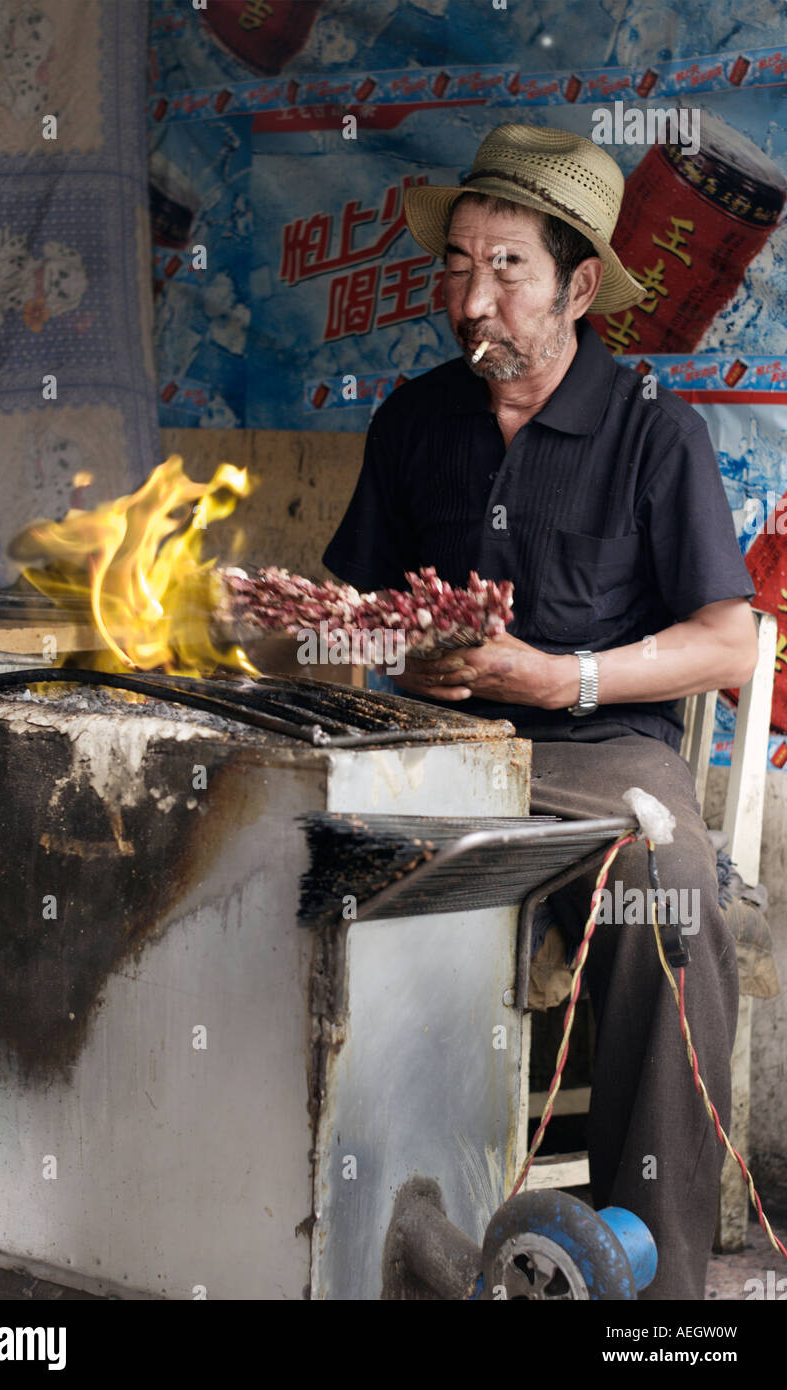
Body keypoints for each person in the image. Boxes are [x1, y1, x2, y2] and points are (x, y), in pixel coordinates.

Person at [322, 123, 759, 1301]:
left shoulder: (652, 432)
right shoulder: (413, 422)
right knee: (296, 851)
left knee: (662, 890)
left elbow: (726, 641)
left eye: (503, 266)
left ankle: (648, 1283)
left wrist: (561, 676)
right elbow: (352, 612)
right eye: (455, 263)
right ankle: (346, 1225)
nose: (470, 296)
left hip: (594, 752)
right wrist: (394, 651)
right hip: (434, 751)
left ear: (576, 285)